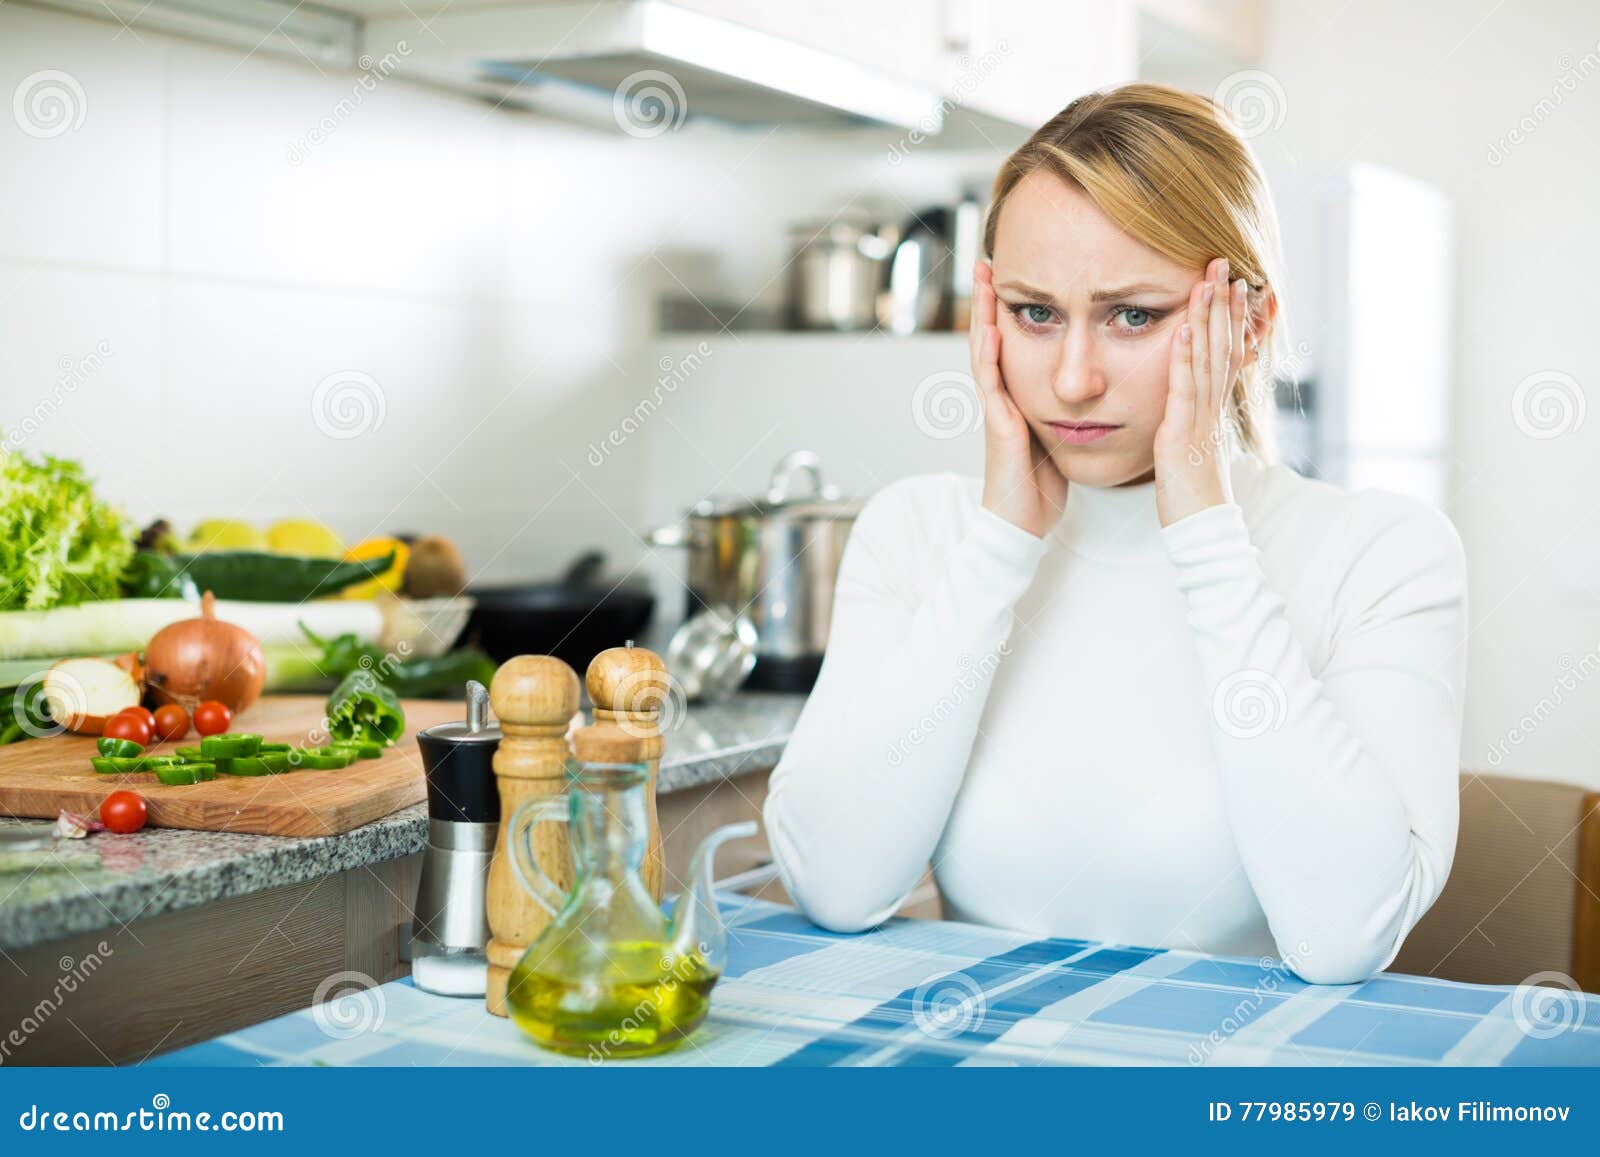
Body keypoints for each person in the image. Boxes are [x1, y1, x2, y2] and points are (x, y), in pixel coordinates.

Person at [762, 83, 1468, 986]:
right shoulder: (919, 533)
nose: (1073, 378)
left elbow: (1341, 938)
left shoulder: (1384, 557)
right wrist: (1000, 542)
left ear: (1246, 326)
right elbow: (834, 882)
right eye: (1034, 312)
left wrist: (1205, 529)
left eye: (1132, 315)